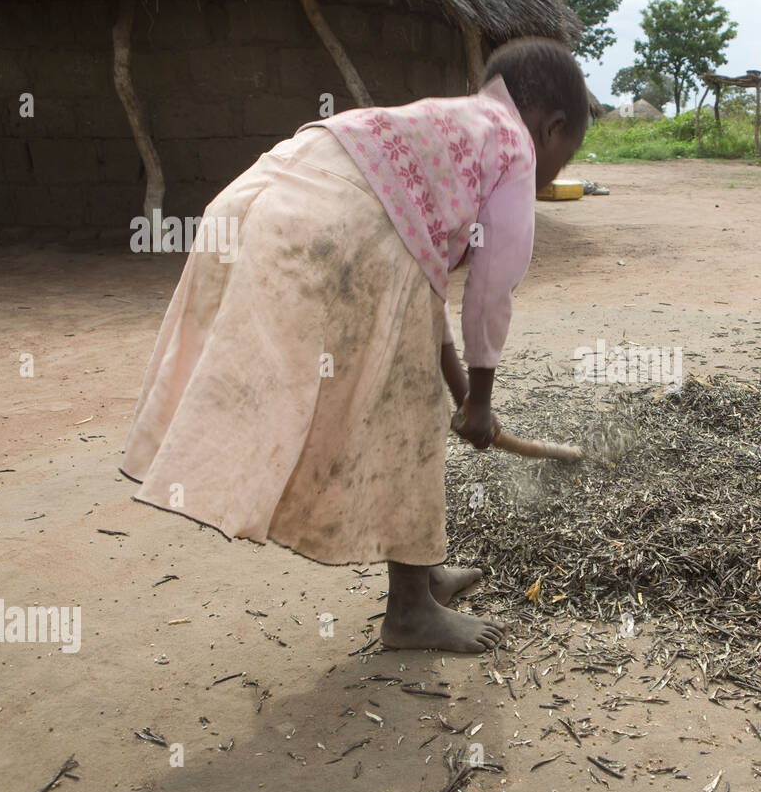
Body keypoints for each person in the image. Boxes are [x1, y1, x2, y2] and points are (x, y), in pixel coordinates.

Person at [121, 38, 587, 653]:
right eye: (566, 154)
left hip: (261, 195)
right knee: (405, 415)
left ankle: (420, 574)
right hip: (339, 224)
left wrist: (463, 394)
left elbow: (425, 304)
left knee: (403, 395)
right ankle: (411, 611)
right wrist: (479, 402)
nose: (552, 171)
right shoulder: (513, 148)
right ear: (551, 128)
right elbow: (490, 291)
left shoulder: (448, 124)